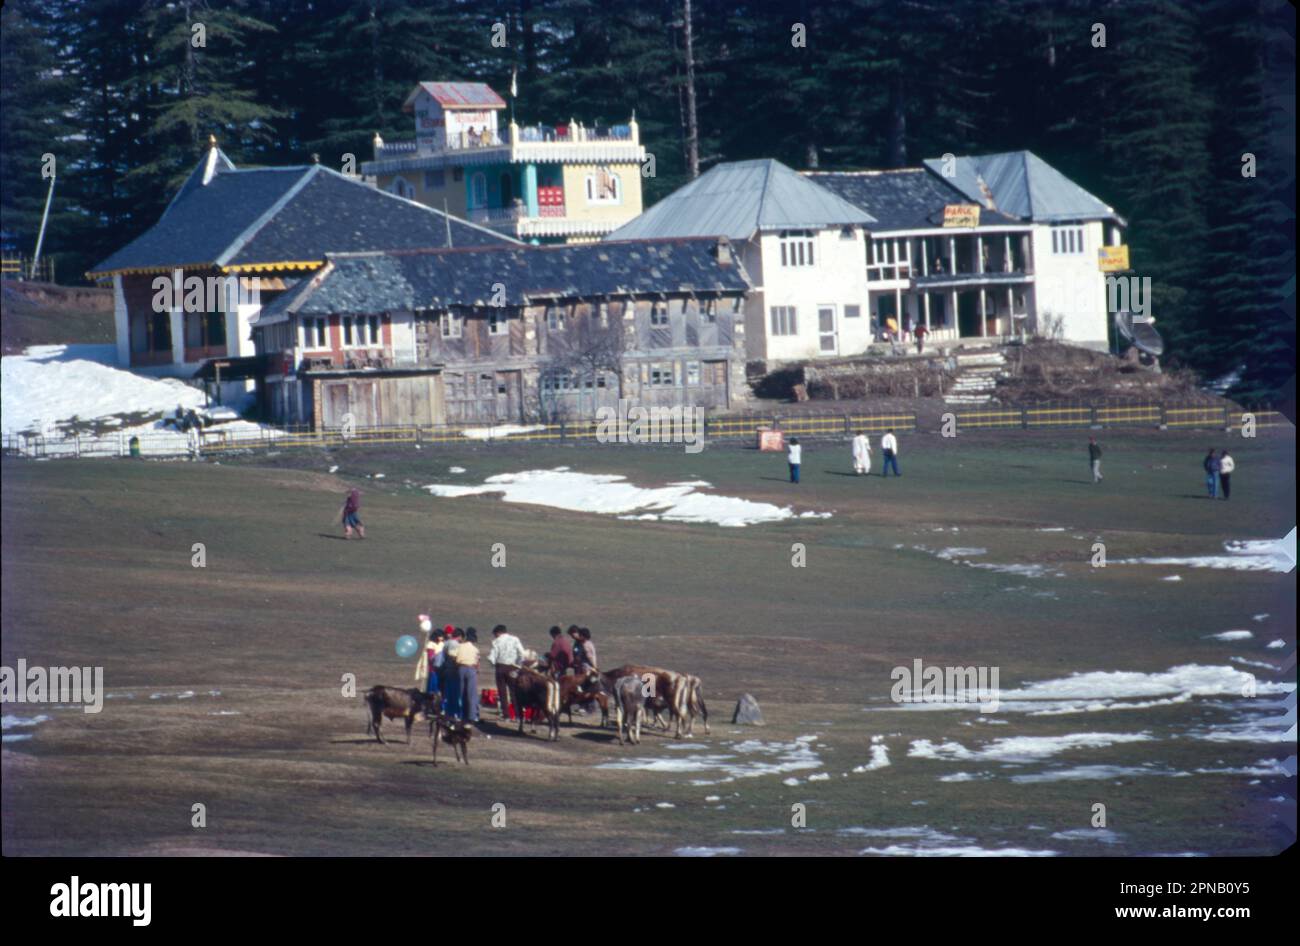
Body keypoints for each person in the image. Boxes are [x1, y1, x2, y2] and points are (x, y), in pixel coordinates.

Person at [488, 624, 524, 720]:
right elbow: (522, 653)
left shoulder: (496, 641)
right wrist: (519, 665)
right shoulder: (515, 639)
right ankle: (518, 715)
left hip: (500, 668)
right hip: (512, 667)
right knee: (514, 691)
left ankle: (506, 715)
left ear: (498, 633)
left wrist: (493, 664)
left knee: (502, 692)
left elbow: (492, 657)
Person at [456, 628, 481, 723]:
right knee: (471, 694)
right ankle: (472, 715)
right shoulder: (475, 649)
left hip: (461, 669)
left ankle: (462, 714)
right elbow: (477, 662)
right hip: (471, 669)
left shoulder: (460, 647)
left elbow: (456, 659)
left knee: (461, 692)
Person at [440, 627, 462, 718]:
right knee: (454, 692)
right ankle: (453, 711)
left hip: (446, 669)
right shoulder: (454, 644)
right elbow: (453, 655)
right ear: (459, 636)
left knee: (446, 691)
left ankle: (445, 709)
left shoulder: (446, 643)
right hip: (453, 670)